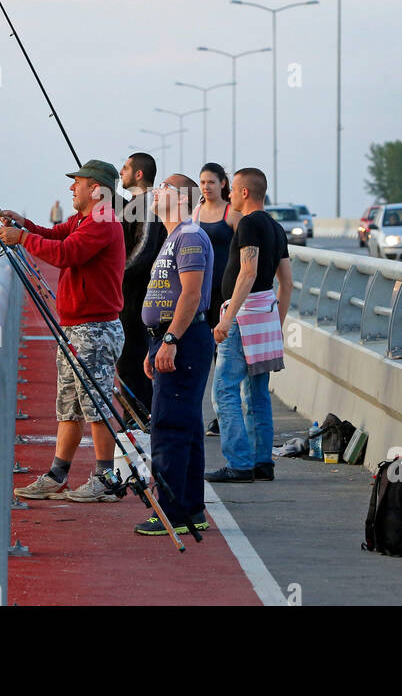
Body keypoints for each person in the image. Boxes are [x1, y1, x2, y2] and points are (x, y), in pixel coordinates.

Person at [0, 160, 127, 502]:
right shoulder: (85, 220)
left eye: (78, 183)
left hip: (95, 330)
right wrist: (25, 225)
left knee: (97, 405)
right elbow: (56, 235)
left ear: (96, 189)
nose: (72, 188)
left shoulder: (102, 221)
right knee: (70, 405)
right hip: (77, 329)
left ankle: (105, 479)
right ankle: (58, 475)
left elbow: (66, 253)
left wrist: (20, 237)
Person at [136, 174, 214, 536]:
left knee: (168, 427)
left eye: (164, 187)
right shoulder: (173, 237)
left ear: (182, 197)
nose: (155, 192)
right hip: (170, 340)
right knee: (187, 428)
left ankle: (169, 513)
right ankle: (190, 510)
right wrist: (156, 344)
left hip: (182, 340)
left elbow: (192, 295)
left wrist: (169, 339)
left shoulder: (190, 236)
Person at [206, 167, 292, 484]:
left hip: (243, 317)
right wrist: (276, 323)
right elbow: (288, 283)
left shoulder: (250, 224)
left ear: (244, 192)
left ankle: (239, 464)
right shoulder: (276, 227)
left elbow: (248, 272)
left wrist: (227, 318)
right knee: (257, 393)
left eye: (232, 191)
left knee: (224, 391)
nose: (228, 196)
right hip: (264, 317)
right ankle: (261, 463)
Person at [116, 153, 166, 424]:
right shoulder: (135, 204)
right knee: (129, 362)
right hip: (132, 295)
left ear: (138, 174)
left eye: (125, 168)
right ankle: (135, 419)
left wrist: (115, 274)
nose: (120, 172)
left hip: (138, 297)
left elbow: (144, 250)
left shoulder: (146, 204)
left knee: (132, 361)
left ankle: (138, 421)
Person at [196, 162, 239, 436]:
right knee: (202, 351)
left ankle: (222, 417)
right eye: (202, 182)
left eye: (211, 182)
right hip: (201, 292)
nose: (206, 187)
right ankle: (207, 413)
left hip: (226, 292)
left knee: (223, 356)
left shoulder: (231, 213)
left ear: (223, 183)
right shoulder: (195, 212)